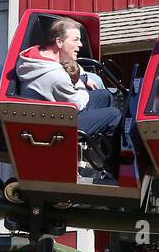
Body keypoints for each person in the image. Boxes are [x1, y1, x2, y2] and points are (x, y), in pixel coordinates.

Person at [15, 18, 121, 154]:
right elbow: (78, 103)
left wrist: (84, 76)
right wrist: (79, 82)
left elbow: (70, 64)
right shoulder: (56, 76)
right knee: (114, 115)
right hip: (56, 127)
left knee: (105, 96)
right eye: (75, 40)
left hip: (53, 112)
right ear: (59, 42)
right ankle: (111, 165)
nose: (80, 45)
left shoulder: (35, 56)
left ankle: (101, 146)